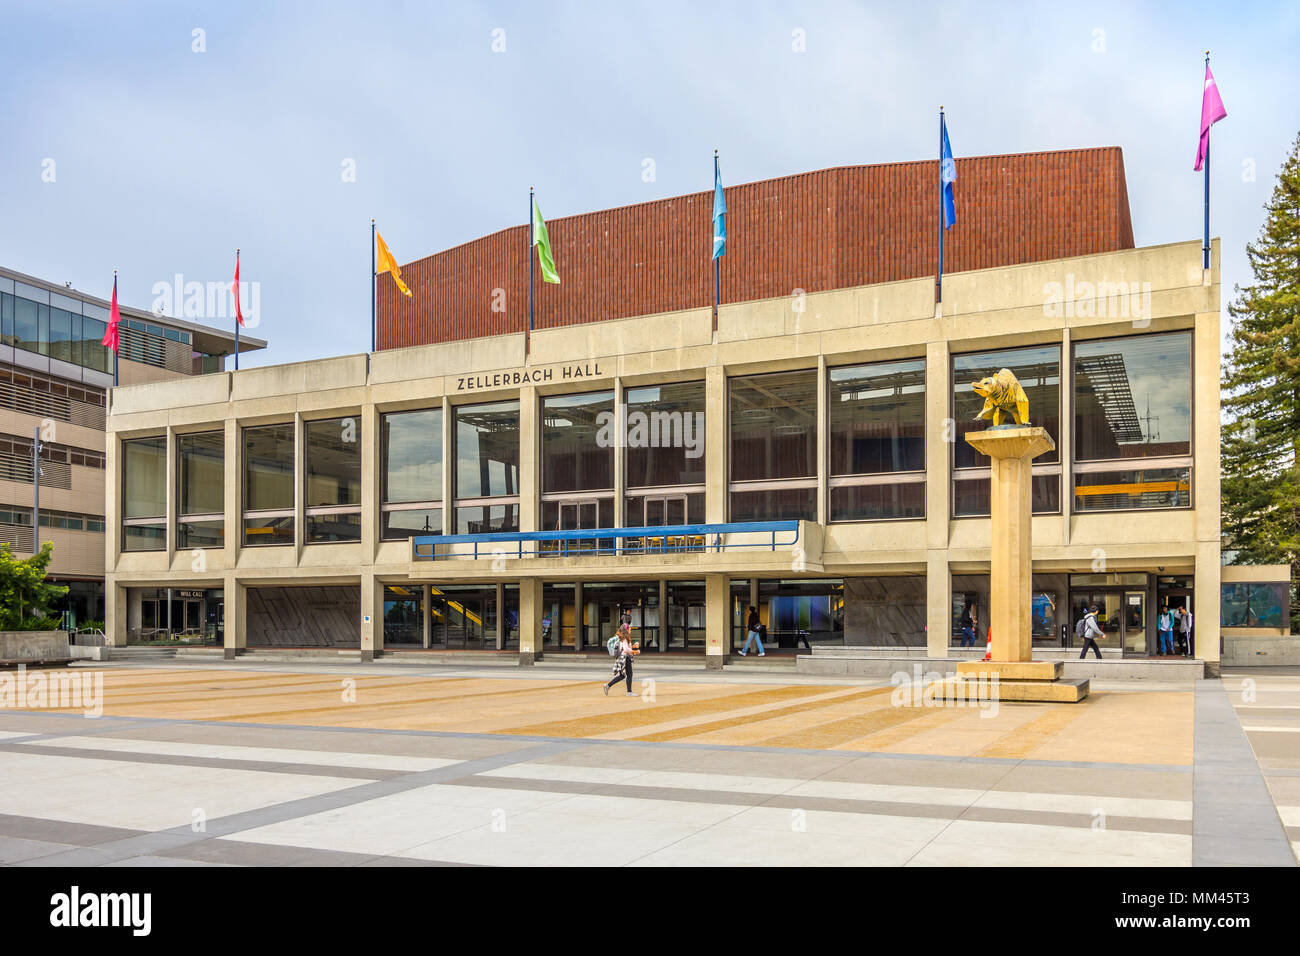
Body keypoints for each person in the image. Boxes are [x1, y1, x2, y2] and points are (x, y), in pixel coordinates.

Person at [603, 623, 638, 696]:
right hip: (625, 658)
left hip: (622, 658)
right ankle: (629, 692)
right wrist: (634, 651)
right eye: (629, 628)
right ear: (626, 630)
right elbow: (625, 650)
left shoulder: (624, 638)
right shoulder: (624, 638)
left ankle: (608, 686)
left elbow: (626, 648)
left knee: (622, 675)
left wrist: (634, 646)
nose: (630, 630)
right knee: (629, 674)